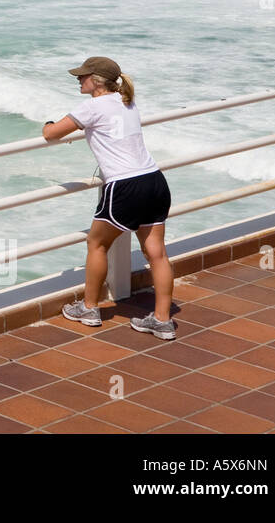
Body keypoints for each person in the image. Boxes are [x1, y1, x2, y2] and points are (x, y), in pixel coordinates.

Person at [41, 57, 175, 339]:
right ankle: (162, 320)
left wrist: (48, 123)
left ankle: (89, 308)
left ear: (97, 81)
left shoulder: (92, 106)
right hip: (154, 180)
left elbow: (52, 134)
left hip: (125, 186)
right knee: (157, 253)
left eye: (83, 76)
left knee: (96, 243)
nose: (79, 80)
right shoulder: (127, 101)